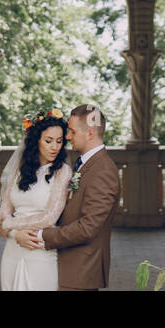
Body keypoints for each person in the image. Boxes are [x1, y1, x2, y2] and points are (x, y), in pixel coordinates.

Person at [19, 103, 120, 291]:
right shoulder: (84, 163)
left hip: (80, 271)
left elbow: (87, 228)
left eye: (72, 131)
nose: (67, 137)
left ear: (89, 133)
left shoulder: (103, 171)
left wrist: (40, 235)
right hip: (68, 266)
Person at [0, 108, 72, 291]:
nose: (54, 147)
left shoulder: (62, 171)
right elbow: (3, 213)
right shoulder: (19, 169)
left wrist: (9, 225)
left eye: (59, 141)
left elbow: (49, 218)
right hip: (12, 249)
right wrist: (15, 235)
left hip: (40, 250)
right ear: (35, 141)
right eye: (48, 141)